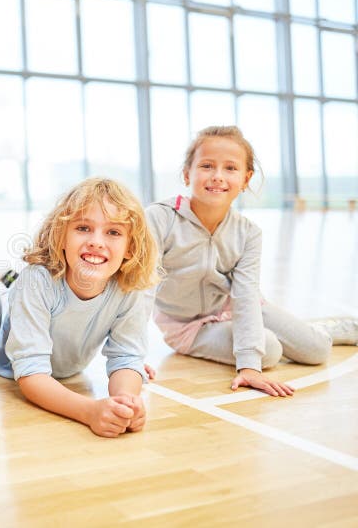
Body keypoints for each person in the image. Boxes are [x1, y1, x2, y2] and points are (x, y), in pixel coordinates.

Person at [146, 125, 358, 397]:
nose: (218, 176)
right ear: (188, 174)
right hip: (188, 327)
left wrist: (249, 359)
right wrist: (249, 366)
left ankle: (323, 328)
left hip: (236, 307)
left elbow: (245, 295)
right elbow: (141, 287)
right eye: (207, 166)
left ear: (246, 179)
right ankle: (273, 339)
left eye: (231, 168)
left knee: (317, 350)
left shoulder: (248, 233)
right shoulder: (159, 218)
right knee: (267, 351)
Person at [0, 178, 159, 438]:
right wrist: (89, 411)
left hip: (64, 368)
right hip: (0, 360)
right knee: (10, 289)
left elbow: (126, 358)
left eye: (113, 232)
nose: (96, 242)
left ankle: (8, 279)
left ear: (130, 249)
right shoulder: (37, 281)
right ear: (61, 236)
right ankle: (7, 280)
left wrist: (125, 402)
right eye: (83, 227)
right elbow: (32, 375)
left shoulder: (127, 290)